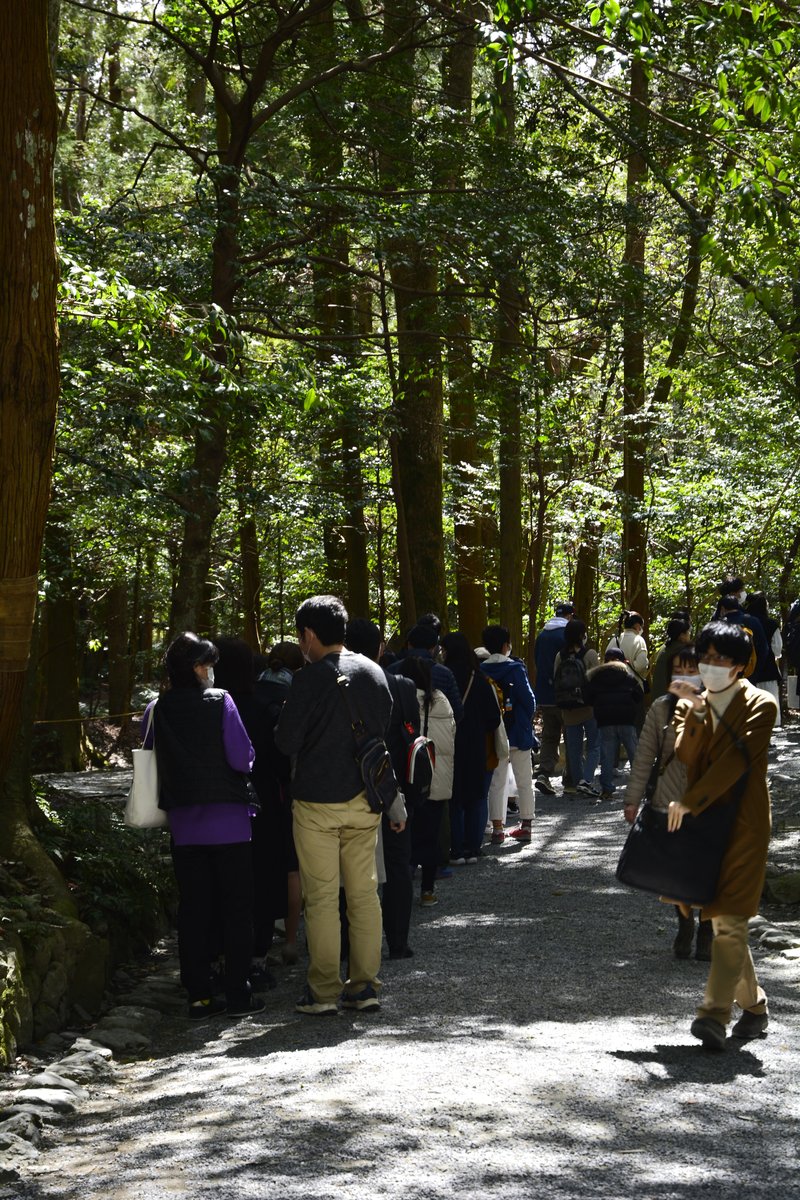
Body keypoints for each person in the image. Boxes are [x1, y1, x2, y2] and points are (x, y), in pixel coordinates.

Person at [274, 595, 403, 1016]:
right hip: (365, 799)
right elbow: (381, 728)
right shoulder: (374, 672)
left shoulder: (308, 680)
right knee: (364, 895)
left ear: (309, 635)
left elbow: (285, 741)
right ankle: (364, 986)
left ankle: (324, 991)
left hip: (316, 803)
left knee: (323, 899)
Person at [668, 621, 777, 1050]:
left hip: (744, 824)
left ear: (741, 665)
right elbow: (685, 753)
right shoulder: (691, 704)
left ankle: (713, 1015)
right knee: (718, 917)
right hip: (700, 826)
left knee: (729, 919)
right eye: (706, 657)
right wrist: (696, 710)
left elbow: (736, 760)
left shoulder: (762, 704)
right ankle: (754, 1006)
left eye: (721, 658)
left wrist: (691, 801)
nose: (711, 665)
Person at [143, 632, 263, 1021]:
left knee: (194, 909)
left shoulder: (156, 709)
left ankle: (199, 996)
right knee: (236, 908)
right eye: (207, 664)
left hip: (184, 823)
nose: (211, 671)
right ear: (195, 668)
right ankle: (239, 993)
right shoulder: (221, 701)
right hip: (229, 821)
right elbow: (242, 757)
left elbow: (149, 756)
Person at [622, 644, 713, 960]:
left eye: (692, 670)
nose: (685, 677)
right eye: (678, 671)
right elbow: (644, 757)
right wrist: (632, 799)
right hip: (668, 801)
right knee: (678, 871)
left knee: (710, 868)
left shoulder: (719, 706)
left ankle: (707, 931)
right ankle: (685, 925)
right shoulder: (661, 708)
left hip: (709, 803)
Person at [345, 617, 419, 960]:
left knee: (349, 868)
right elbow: (412, 736)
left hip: (349, 788)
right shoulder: (401, 685)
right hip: (393, 788)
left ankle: (348, 942)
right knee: (398, 864)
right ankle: (398, 940)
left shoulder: (337, 684)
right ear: (379, 648)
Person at [399, 653, 456, 906]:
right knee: (431, 836)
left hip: (409, 777)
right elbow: (452, 732)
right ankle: (428, 890)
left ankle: (402, 889)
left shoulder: (402, 700)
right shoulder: (441, 700)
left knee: (406, 834)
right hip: (437, 776)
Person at [440, 631, 502, 861]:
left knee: (454, 799)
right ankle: (473, 848)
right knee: (476, 797)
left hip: (450, 744)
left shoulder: (444, 678)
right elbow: (494, 718)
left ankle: (456, 849)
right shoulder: (480, 679)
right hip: (476, 745)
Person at [481, 625, 537, 844]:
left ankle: (497, 828)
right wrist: (525, 721)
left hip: (494, 734)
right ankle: (526, 825)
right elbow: (529, 701)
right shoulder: (516, 668)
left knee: (497, 782)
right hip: (518, 732)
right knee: (524, 780)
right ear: (506, 645)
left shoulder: (481, 669)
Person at [583, 648, 643, 801]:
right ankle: (640, 787)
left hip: (605, 720)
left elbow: (588, 697)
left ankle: (607, 790)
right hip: (626, 719)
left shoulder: (596, 677)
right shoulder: (628, 676)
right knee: (634, 753)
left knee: (607, 756)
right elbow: (639, 695)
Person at [553, 619, 600, 797]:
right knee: (594, 745)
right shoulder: (590, 654)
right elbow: (597, 680)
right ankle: (586, 781)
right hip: (589, 707)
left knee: (574, 750)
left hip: (568, 709)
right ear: (582, 635)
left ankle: (578, 781)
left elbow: (556, 680)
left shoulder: (560, 656)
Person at [532, 601, 575, 794]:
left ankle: (544, 773)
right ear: (569, 616)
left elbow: (537, 661)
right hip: (564, 694)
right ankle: (571, 778)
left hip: (544, 693)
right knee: (571, 734)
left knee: (550, 735)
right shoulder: (567, 635)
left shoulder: (542, 635)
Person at [388, 615, 463, 722]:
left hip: (402, 729)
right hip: (436, 729)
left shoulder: (392, 670)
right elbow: (457, 711)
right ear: (433, 648)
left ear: (409, 645)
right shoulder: (445, 673)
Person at [606, 611, 649, 729]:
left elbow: (607, 663)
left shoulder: (615, 640)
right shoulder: (639, 640)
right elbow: (641, 665)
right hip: (633, 690)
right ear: (637, 625)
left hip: (614, 690)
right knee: (636, 727)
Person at [745, 592, 783, 724]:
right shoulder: (771, 624)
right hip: (768, 670)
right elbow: (777, 649)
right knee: (770, 706)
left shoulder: (744, 622)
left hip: (747, 671)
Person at [650, 618, 691, 702]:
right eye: (688, 632)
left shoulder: (665, 648)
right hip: (671, 701)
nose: (689, 634)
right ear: (681, 635)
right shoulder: (683, 652)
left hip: (658, 698)